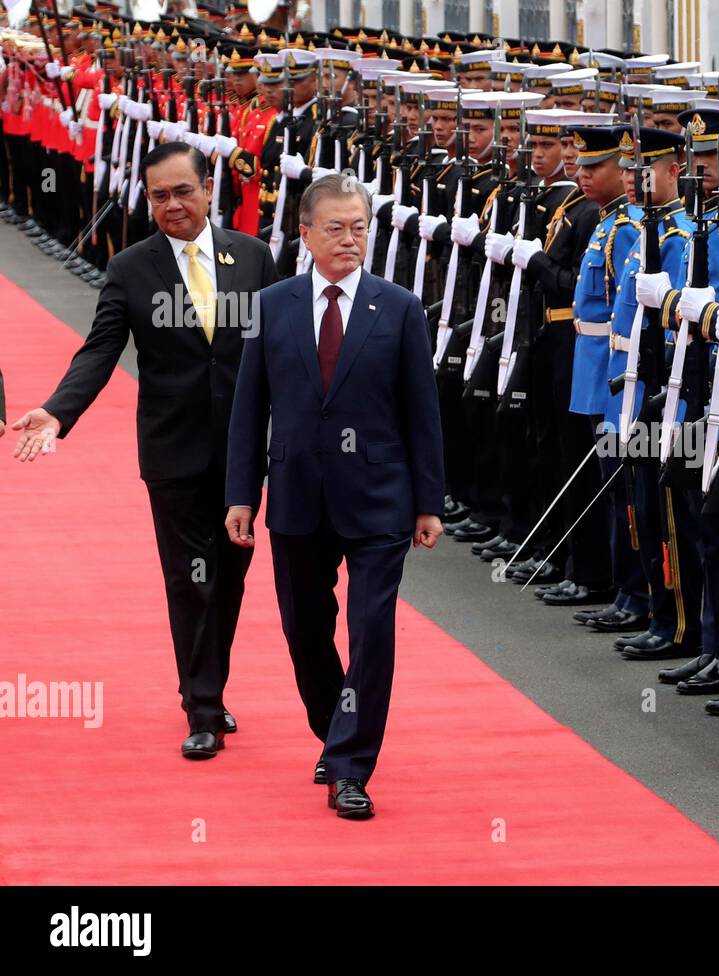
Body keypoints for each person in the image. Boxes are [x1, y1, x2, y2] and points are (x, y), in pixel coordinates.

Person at [9, 141, 278, 759]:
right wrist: (57, 410)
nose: (172, 205)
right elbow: (100, 350)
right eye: (159, 195)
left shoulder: (255, 258)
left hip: (241, 452)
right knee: (191, 580)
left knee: (230, 578)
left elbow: (277, 351)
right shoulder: (131, 268)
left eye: (183, 191)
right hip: (172, 453)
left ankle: (208, 685)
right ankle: (202, 709)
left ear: (209, 190)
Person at [223, 173, 445, 820]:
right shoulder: (272, 305)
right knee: (304, 630)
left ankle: (350, 767)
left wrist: (429, 501)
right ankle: (333, 729)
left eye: (360, 228)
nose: (350, 240)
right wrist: (242, 493)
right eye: (336, 228)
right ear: (305, 234)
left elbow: (422, 413)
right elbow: (248, 409)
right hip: (296, 494)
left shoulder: (399, 307)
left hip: (380, 497)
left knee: (372, 629)